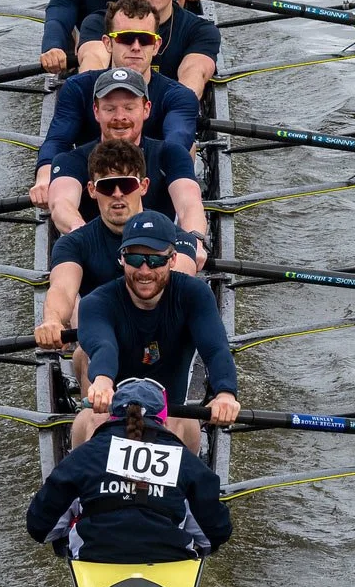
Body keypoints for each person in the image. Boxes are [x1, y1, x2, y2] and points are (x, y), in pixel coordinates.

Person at [36, 140, 201, 388]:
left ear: (143, 186)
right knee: (85, 353)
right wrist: (53, 320)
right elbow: (61, 289)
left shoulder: (177, 239)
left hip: (159, 344)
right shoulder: (75, 243)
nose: (117, 194)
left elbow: (179, 281)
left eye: (126, 184)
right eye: (106, 186)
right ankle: (96, 408)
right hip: (102, 343)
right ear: (92, 190)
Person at [74, 210, 240, 454]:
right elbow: (103, 346)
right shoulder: (96, 303)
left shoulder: (194, 295)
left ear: (173, 260)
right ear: (122, 259)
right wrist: (103, 382)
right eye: (135, 259)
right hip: (113, 410)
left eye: (155, 261)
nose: (144, 270)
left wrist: (225, 393)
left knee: (177, 426)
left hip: (172, 413)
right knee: (94, 420)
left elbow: (216, 350)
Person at [26, 378, 231, 563]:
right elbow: (217, 534)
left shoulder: (84, 455)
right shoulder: (184, 460)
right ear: (164, 421)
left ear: (111, 418)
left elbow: (40, 528)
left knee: (79, 498)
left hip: (95, 555)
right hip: (169, 558)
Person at [31, 0, 199, 204]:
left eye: (145, 40)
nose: (136, 47)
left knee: (187, 149)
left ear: (156, 46)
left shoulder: (179, 96)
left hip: (152, 183)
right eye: (126, 38)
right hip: (94, 182)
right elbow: (58, 140)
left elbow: (177, 141)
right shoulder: (78, 88)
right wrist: (45, 177)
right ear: (108, 43)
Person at [46, 69, 208, 268]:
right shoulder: (72, 160)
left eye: (129, 108)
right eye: (110, 109)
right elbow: (61, 203)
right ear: (96, 111)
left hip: (156, 258)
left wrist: (194, 240)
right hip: (94, 256)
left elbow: (189, 203)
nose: (120, 117)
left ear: (146, 109)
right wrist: (79, 231)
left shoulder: (170, 154)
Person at [77, 0, 221, 97]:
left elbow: (192, 75)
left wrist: (179, 107)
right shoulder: (98, 23)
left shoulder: (201, 31)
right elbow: (94, 62)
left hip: (170, 105)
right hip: (113, 105)